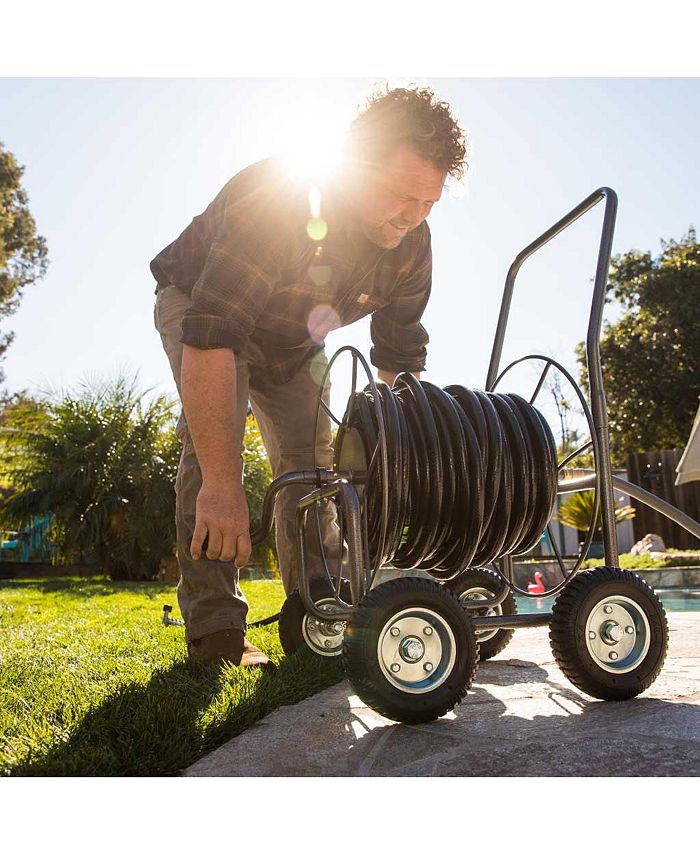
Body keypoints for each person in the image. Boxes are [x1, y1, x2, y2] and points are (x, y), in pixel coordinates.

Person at [151, 85, 467, 668]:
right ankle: (215, 634)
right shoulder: (280, 201)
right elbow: (214, 334)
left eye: (429, 202)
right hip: (201, 308)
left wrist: (401, 466)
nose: (413, 216)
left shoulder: (412, 244)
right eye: (402, 195)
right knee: (210, 455)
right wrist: (224, 488)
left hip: (294, 341)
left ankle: (321, 610)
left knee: (313, 464)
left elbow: (398, 354)